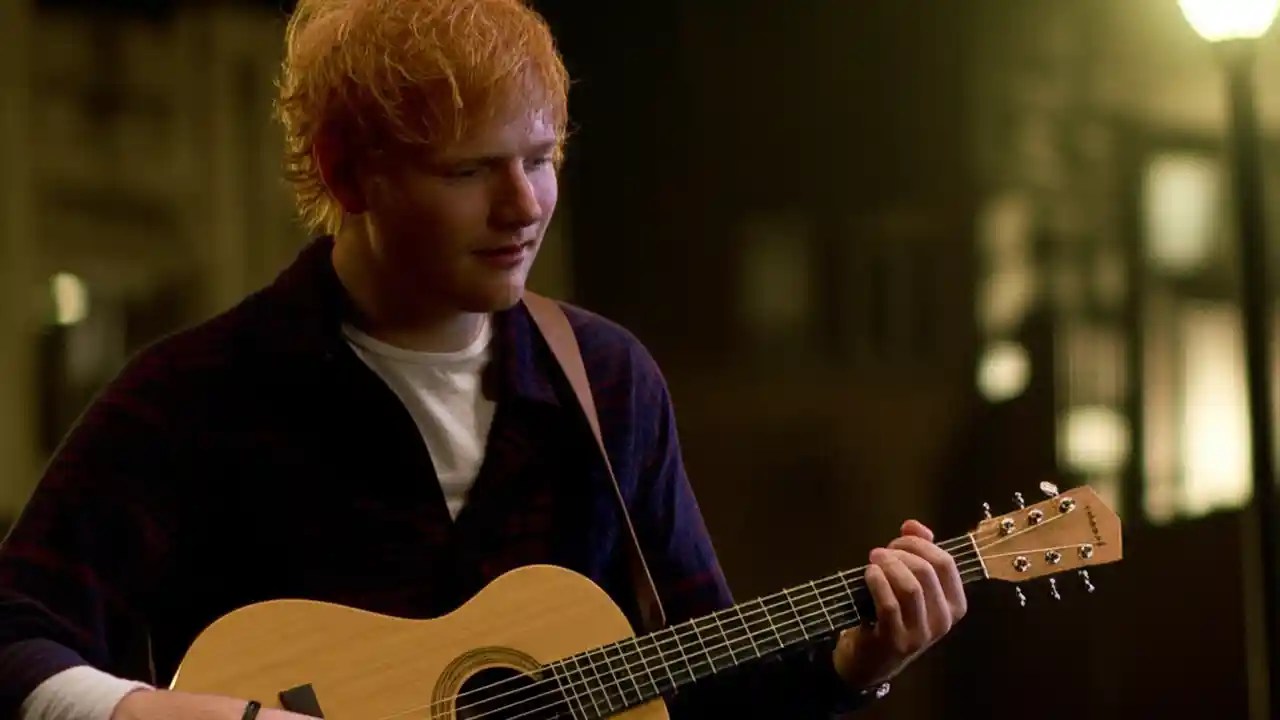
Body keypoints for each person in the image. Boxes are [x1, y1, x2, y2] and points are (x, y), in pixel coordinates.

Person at [0, 1, 967, 718]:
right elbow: (12, 632)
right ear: (347, 172)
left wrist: (856, 661)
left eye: (540, 157)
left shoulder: (606, 379)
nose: (525, 206)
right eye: (468, 170)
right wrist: (146, 711)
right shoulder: (192, 398)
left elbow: (697, 686)